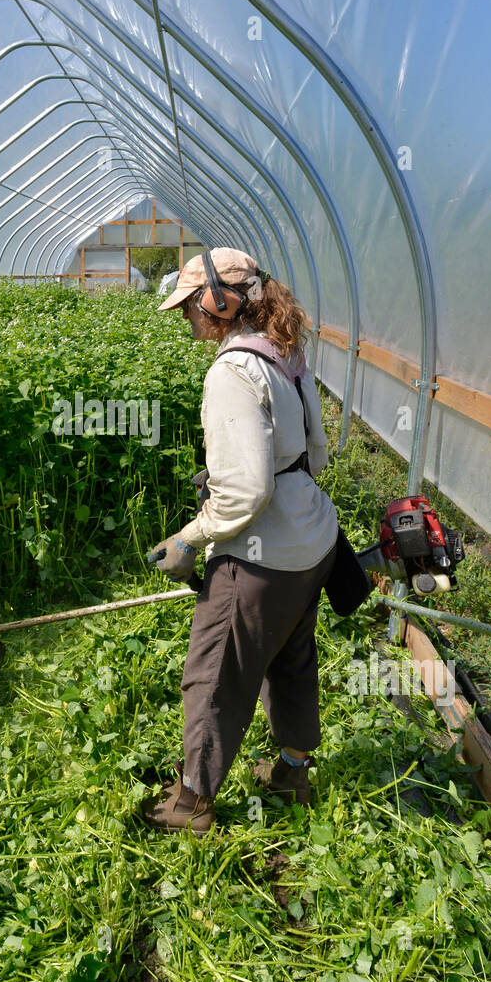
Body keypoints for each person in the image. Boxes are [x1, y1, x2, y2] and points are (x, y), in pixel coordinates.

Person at [141, 247, 339, 835]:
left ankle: (192, 803)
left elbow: (246, 492)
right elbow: (319, 452)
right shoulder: (284, 351)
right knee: (291, 659)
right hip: (314, 542)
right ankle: (291, 772)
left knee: (216, 673)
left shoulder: (231, 372)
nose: (186, 319)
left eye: (189, 307)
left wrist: (190, 538)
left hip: (263, 558)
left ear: (220, 303)